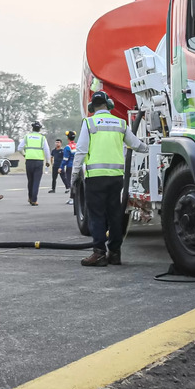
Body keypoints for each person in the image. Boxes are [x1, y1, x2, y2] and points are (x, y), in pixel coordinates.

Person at [72, 91, 143, 267]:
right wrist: (153, 148)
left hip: (96, 178)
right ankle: (115, 253)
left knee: (97, 215)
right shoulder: (120, 123)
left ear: (92, 107)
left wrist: (74, 175)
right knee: (114, 215)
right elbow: (136, 144)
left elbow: (81, 150)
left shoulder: (89, 123)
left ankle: (99, 253)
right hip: (116, 178)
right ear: (109, 105)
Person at [18, 122, 49, 206]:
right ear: (39, 129)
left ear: (32, 128)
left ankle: (30, 197)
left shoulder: (27, 136)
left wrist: (24, 154)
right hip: (39, 161)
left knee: (30, 180)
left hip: (29, 161)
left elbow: (19, 148)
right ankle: (34, 200)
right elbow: (46, 150)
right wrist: (48, 161)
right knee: (36, 181)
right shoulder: (42, 138)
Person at [62, 130, 76, 202]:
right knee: (75, 182)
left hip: (70, 166)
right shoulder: (77, 145)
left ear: (68, 138)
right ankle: (71, 198)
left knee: (70, 182)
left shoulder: (67, 147)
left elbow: (65, 159)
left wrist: (61, 167)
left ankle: (73, 199)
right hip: (77, 166)